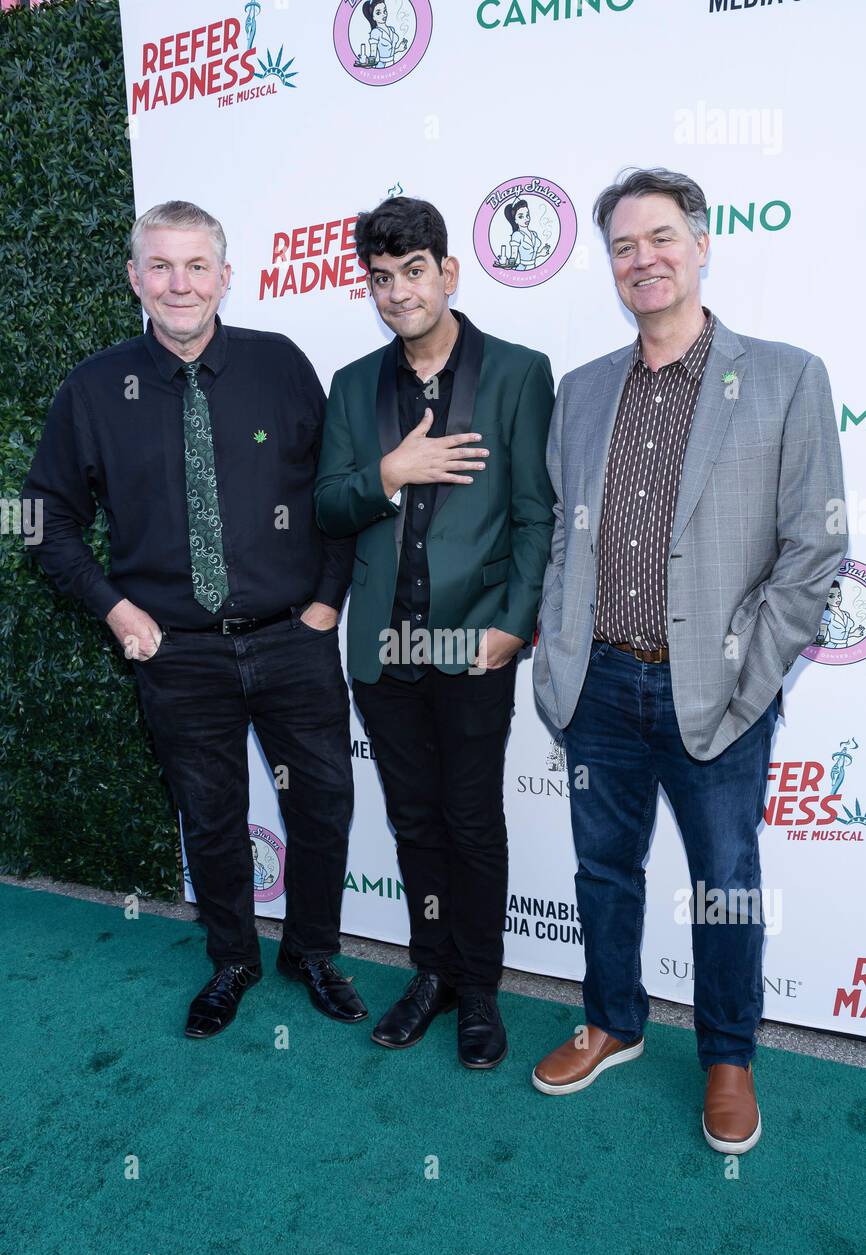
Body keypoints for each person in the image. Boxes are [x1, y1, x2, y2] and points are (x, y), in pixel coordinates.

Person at [531, 168, 846, 1152]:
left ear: (701, 245)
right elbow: (555, 536)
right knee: (600, 869)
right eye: (623, 245)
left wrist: (749, 684)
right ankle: (613, 1019)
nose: (642, 259)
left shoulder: (787, 376)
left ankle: (725, 1054)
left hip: (717, 689)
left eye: (660, 238)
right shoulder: (580, 391)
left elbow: (812, 550)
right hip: (597, 684)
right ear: (609, 264)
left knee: (722, 876)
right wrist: (556, 660)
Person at [21, 200, 366, 1040]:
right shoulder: (95, 387)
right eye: (162, 267)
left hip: (294, 638)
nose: (181, 284)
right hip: (177, 654)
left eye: (197, 266)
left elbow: (338, 490)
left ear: (226, 276)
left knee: (322, 803)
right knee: (211, 817)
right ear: (136, 278)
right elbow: (40, 519)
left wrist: (327, 601)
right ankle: (233, 960)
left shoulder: (279, 364)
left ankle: (313, 952)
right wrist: (114, 607)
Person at [315, 196, 554, 1068]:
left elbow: (536, 517)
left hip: (471, 643)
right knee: (414, 820)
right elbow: (327, 506)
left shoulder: (521, 373)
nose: (398, 292)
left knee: (471, 819)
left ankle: (481, 987)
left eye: (414, 272)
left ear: (448, 273)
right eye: (381, 278)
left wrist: (513, 627)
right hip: (384, 645)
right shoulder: (352, 385)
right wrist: (389, 473)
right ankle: (431, 971)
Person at [504, 199, 550, 271]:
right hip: (523, 268)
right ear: (515, 220)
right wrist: (507, 264)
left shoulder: (534, 234)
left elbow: (531, 256)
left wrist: (541, 253)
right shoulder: (517, 235)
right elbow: (514, 256)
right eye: (521, 217)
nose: (526, 219)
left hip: (533, 267)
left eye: (527, 215)